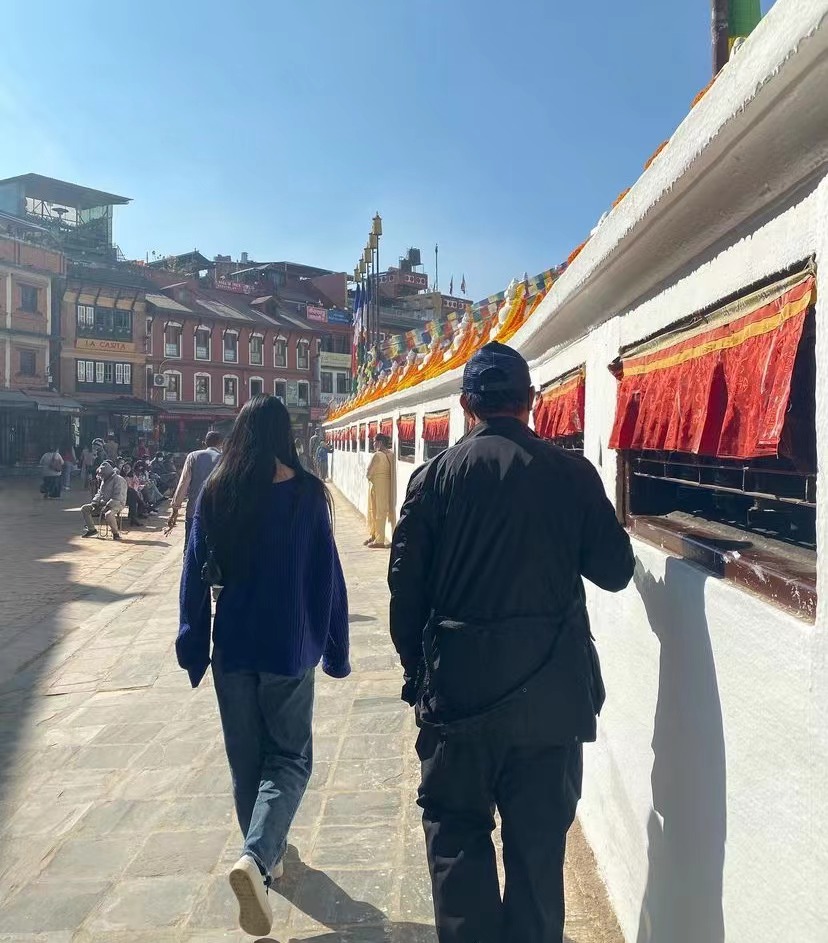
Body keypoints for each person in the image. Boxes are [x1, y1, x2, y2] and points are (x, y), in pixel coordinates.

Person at [388, 341, 635, 943]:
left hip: (458, 698)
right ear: (530, 401)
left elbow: (405, 596)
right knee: (537, 857)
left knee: (456, 839)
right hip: (550, 702)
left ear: (466, 404)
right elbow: (615, 570)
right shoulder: (572, 475)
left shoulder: (433, 479)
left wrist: (419, 673)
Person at [177, 394, 349, 937]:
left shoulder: (217, 492)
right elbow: (328, 577)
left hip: (233, 645)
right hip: (288, 645)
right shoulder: (305, 493)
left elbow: (193, 575)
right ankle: (256, 858)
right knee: (290, 760)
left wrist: (192, 642)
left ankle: (265, 860)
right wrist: (336, 647)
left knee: (246, 761)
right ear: (285, 436)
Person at [167, 431, 225, 551]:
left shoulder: (193, 456)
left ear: (204, 443)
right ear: (221, 444)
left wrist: (175, 509)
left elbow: (183, 484)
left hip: (194, 511)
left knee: (190, 548)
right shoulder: (225, 459)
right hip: (218, 512)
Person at [80, 461, 128, 539]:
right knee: (85, 508)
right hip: (103, 503)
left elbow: (118, 496)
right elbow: (99, 493)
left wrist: (108, 506)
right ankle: (92, 529)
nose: (101, 476)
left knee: (108, 514)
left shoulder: (119, 480)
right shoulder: (104, 480)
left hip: (117, 503)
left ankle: (116, 534)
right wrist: (94, 502)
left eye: (102, 474)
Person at [365, 433, 395, 548]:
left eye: (374, 442)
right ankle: (374, 535)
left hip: (376, 485)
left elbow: (368, 473)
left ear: (380, 443)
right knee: (380, 511)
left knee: (375, 511)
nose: (373, 444)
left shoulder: (377, 455)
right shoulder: (390, 454)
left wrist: (370, 477)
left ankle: (379, 539)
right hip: (386, 486)